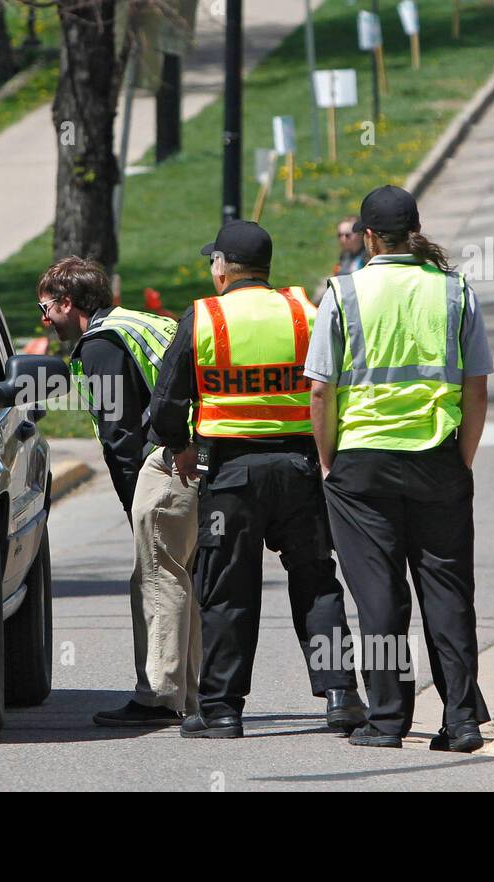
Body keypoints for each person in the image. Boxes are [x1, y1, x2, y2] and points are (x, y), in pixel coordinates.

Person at [149, 220, 366, 739]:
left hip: (231, 476)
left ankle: (223, 710)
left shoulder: (203, 317)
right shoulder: (304, 312)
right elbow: (338, 386)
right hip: (301, 469)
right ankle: (340, 696)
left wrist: (180, 447)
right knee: (316, 581)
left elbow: (164, 406)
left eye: (213, 262)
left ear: (222, 267)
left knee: (228, 589)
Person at [307, 185, 492, 751]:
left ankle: (388, 720)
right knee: (447, 590)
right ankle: (459, 719)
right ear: (416, 229)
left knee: (380, 597)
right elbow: (477, 386)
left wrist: (328, 462)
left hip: (362, 464)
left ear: (367, 237)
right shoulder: (455, 289)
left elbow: (320, 390)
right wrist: (460, 460)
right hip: (437, 457)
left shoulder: (343, 293)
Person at [37, 257, 201, 726]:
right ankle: (194, 694)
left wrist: (136, 502)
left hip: (166, 465)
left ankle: (158, 698)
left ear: (69, 302)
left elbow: (120, 434)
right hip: (196, 456)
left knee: (155, 579)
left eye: (47, 308)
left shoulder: (99, 346)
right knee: (181, 579)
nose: (43, 320)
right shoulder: (136, 322)